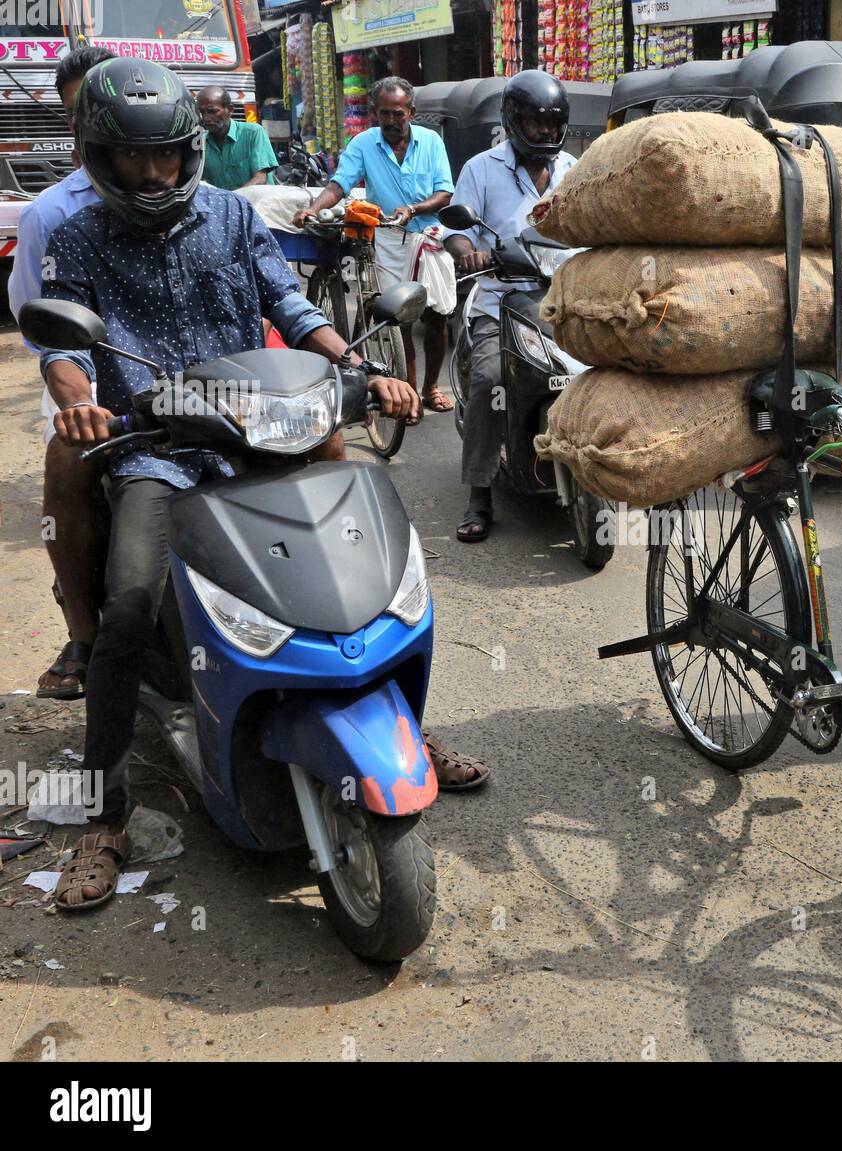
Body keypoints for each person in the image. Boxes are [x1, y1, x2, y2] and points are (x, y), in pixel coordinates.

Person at [38, 59, 479, 912]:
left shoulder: (232, 215)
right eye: (136, 161)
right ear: (100, 156)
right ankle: (103, 809)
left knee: (360, 575)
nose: (157, 174)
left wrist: (359, 365)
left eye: (168, 155)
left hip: (262, 431)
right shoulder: (79, 237)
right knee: (128, 603)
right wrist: (81, 403)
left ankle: (399, 729)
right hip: (154, 447)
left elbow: (288, 300)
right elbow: (62, 348)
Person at [7, 44, 115, 699]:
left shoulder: (208, 201)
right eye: (83, 114)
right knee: (69, 459)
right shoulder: (52, 211)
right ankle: (82, 630)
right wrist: (78, 388)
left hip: (190, 376)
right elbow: (37, 321)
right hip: (86, 380)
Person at [442, 70, 575, 544]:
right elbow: (456, 229)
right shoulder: (481, 168)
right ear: (513, 120)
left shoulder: (571, 169)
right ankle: (479, 493)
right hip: (499, 299)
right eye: (536, 123)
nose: (546, 133)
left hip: (564, 299)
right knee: (490, 382)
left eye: (553, 124)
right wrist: (468, 253)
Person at [293, 77, 457, 414]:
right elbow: (340, 183)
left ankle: (430, 387)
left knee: (437, 318)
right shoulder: (363, 143)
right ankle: (408, 392)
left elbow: (445, 193)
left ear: (411, 112)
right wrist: (315, 207)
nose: (393, 121)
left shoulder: (431, 141)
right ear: (374, 114)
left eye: (399, 114)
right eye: (385, 114)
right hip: (385, 238)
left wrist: (414, 209)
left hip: (428, 236)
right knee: (400, 321)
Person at [197, 86, 278, 190]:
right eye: (202, 112)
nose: (206, 118)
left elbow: (260, 178)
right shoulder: (200, 142)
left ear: (230, 109)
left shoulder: (253, 133)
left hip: (258, 203)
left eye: (212, 111)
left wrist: (232, 199)